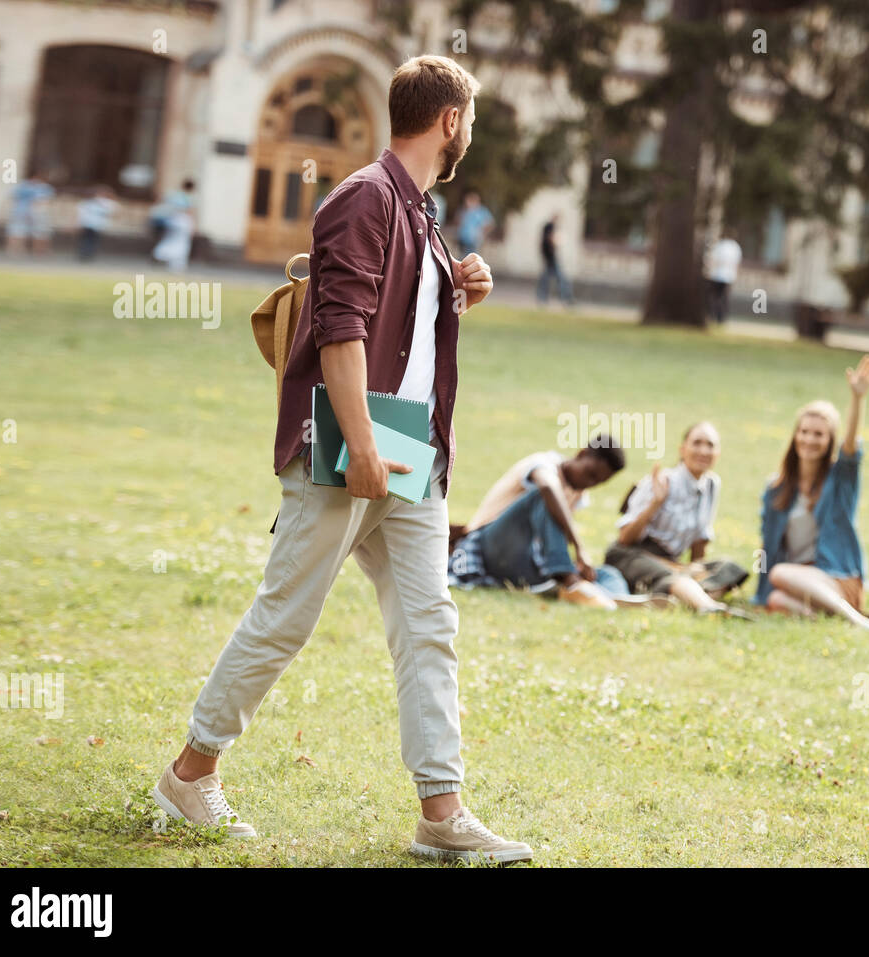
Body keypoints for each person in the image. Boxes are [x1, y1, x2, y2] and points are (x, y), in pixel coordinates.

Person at [152, 55, 531, 864]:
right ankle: (190, 771)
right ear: (451, 121)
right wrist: (358, 440)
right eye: (472, 121)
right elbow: (342, 326)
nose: (471, 133)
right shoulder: (366, 196)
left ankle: (442, 810)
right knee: (286, 616)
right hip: (352, 445)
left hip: (411, 452)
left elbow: (400, 324)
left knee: (430, 627)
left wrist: (460, 291)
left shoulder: (420, 210)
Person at [752, 355, 869, 630]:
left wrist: (857, 398)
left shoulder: (840, 481)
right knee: (777, 598)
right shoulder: (776, 490)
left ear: (829, 441)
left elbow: (851, 450)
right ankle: (836, 622)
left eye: (818, 434)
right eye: (804, 432)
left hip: (838, 577)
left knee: (780, 575)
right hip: (800, 581)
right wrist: (760, 593)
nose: (809, 440)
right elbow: (767, 546)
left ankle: (860, 621)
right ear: (795, 437)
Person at [447, 435, 648, 609]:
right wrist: (579, 547)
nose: (590, 483)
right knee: (543, 497)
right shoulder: (544, 463)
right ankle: (571, 583)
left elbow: (550, 536)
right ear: (582, 454)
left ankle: (616, 599)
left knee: (606, 573)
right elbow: (548, 489)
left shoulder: (578, 494)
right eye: (590, 474)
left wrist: (580, 566)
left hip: (527, 562)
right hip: (488, 548)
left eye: (598, 482)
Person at [606, 422, 752, 618]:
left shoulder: (711, 485)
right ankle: (708, 607)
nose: (703, 450)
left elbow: (700, 540)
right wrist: (655, 503)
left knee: (730, 568)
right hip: (634, 555)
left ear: (718, 453)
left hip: (673, 563)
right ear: (683, 449)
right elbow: (625, 539)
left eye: (710, 445)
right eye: (697, 443)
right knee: (675, 577)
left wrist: (696, 568)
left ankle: (675, 596)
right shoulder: (661, 480)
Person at [5, 172, 54, 256]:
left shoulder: (22, 186)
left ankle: (34, 250)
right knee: (21, 232)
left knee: (20, 232)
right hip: (30, 213)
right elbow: (43, 201)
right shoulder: (41, 188)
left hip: (22, 212)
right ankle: (18, 249)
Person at [704, 232, 742, 323]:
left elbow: (713, 260)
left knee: (715, 297)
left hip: (717, 275)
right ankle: (721, 317)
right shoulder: (735, 247)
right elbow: (736, 263)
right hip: (728, 276)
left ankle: (713, 315)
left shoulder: (719, 245)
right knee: (724, 298)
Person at [537, 213, 574, 305]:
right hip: (550, 257)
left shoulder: (551, 227)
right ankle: (565, 298)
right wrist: (555, 241)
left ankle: (544, 297)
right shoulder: (549, 227)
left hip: (551, 257)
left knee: (548, 278)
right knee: (558, 278)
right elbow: (548, 240)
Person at [75, 186, 117, 261]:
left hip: (95, 225)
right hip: (88, 224)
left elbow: (113, 212)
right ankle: (85, 254)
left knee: (90, 240)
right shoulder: (88, 202)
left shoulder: (106, 203)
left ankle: (87, 254)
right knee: (88, 240)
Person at [454, 188, 494, 258]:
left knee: (472, 258)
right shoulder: (463, 210)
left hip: (474, 240)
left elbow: (490, 224)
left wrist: (483, 233)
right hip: (463, 238)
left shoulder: (481, 211)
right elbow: (457, 222)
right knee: (462, 258)